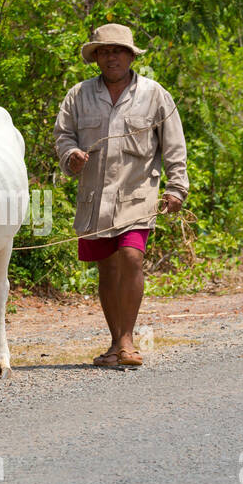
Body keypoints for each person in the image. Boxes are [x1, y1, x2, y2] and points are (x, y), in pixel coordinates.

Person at [54, 23, 189, 367]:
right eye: (104, 51)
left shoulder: (155, 94)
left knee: (130, 258)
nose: (111, 57)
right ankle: (116, 344)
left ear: (131, 56)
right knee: (107, 268)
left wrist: (176, 187)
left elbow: (174, 145)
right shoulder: (79, 95)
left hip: (137, 193)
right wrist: (71, 156)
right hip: (94, 197)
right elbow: (63, 136)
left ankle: (127, 340)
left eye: (118, 51)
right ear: (96, 57)